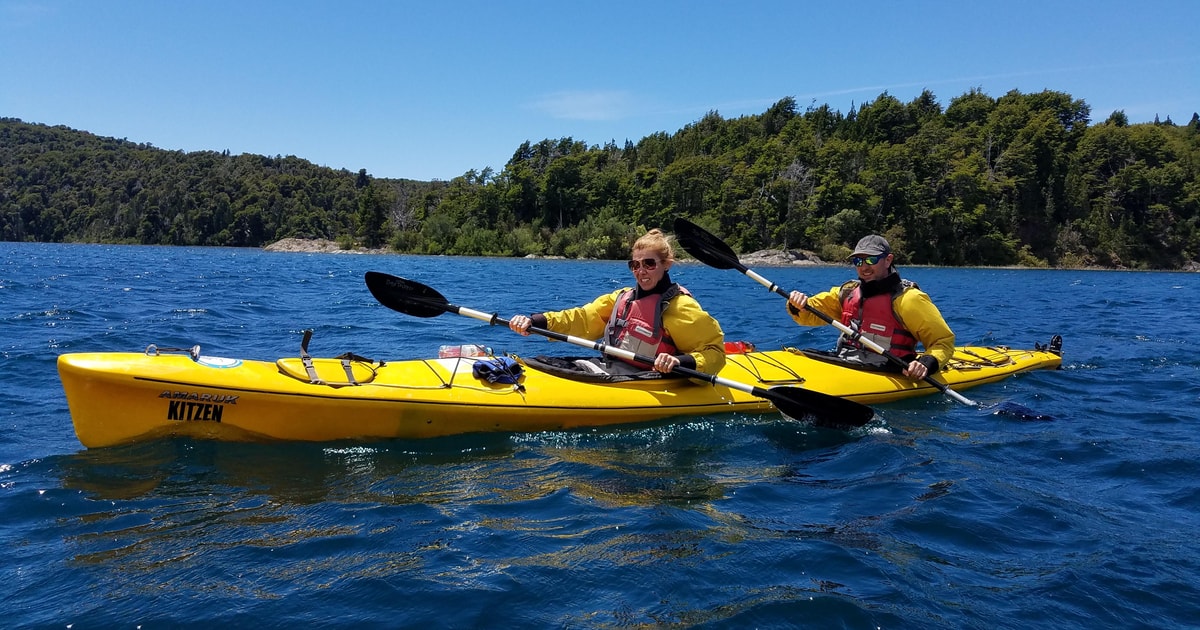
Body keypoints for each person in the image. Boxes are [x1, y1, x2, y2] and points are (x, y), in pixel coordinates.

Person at [509, 229, 726, 376]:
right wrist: (536, 322)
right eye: (635, 264)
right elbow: (582, 319)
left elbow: (715, 354)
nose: (641, 271)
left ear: (666, 264)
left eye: (649, 264)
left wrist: (680, 362)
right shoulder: (621, 298)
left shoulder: (680, 308)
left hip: (650, 378)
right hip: (612, 370)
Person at [785, 234, 954, 380]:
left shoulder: (909, 299)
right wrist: (797, 304)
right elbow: (810, 313)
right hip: (845, 362)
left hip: (890, 369)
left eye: (871, 260)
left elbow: (942, 341)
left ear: (888, 260)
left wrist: (926, 363)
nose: (864, 267)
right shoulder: (847, 292)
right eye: (858, 261)